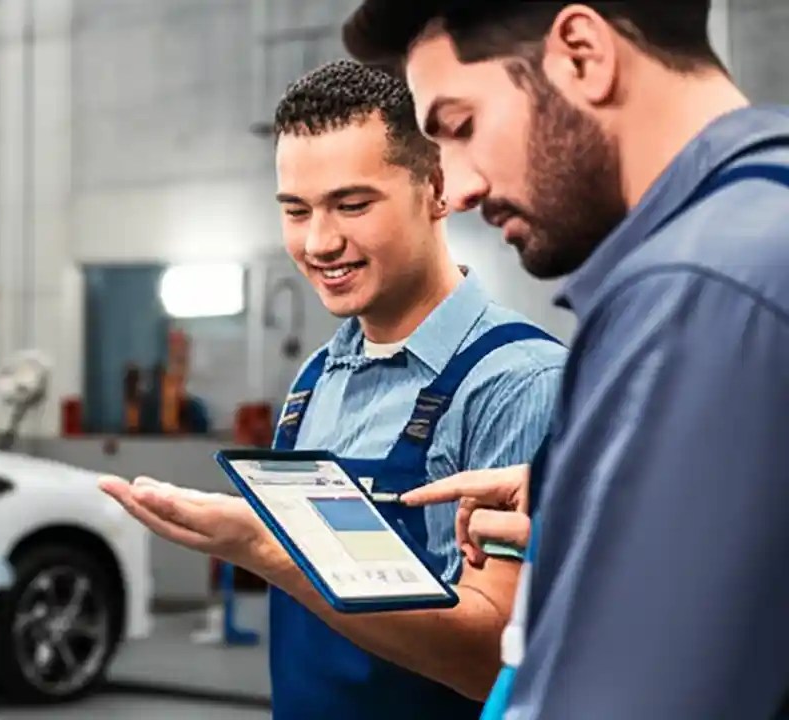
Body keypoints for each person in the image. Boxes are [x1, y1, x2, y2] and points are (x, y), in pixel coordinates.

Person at [343, 1, 789, 718]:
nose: (455, 190)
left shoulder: (694, 291)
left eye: (460, 128)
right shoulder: (765, 221)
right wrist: (593, 499)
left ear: (583, 53)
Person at [99, 61, 567, 719]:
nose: (321, 242)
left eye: (352, 205)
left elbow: (492, 661)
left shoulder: (519, 382)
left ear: (435, 188)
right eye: (297, 210)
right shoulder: (317, 378)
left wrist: (263, 549)